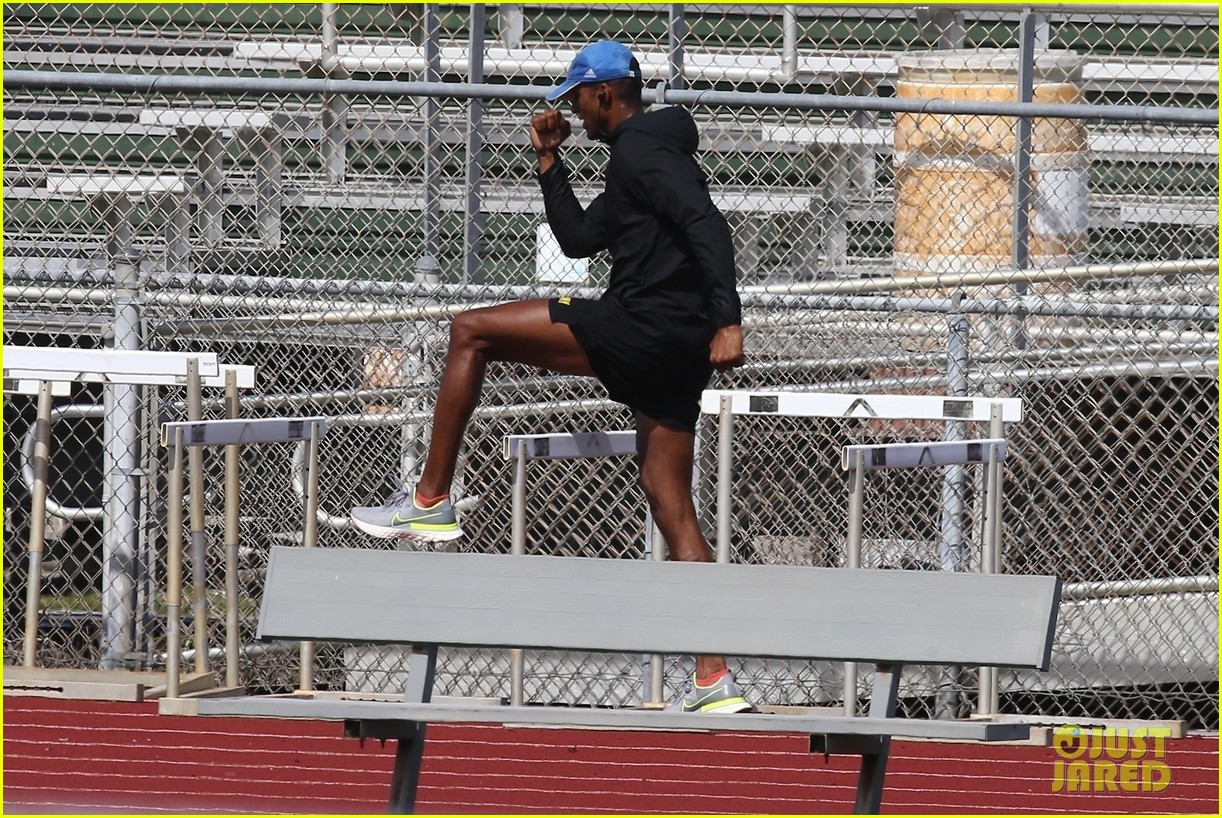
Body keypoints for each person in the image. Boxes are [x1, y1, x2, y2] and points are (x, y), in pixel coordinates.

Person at [351, 40, 751, 714]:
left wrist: (731, 319)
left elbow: (706, 224)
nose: (573, 114)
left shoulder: (640, 151)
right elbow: (578, 239)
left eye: (577, 102)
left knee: (470, 330)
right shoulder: (645, 156)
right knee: (669, 499)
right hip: (676, 349)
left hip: (643, 328)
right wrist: (548, 161)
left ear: (607, 95)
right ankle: (714, 678)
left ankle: (430, 497)